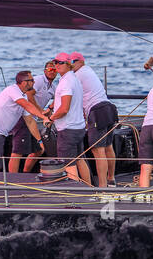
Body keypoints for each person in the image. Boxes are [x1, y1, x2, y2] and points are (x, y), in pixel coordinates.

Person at [0, 71, 51, 173]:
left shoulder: (23, 96)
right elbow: (26, 105)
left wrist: (39, 141)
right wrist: (43, 117)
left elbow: (30, 121)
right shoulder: (13, 90)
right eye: (32, 80)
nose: (34, 82)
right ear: (24, 82)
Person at [71, 53, 118, 188]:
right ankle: (111, 179)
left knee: (98, 151)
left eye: (73, 61)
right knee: (108, 146)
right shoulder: (88, 70)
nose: (71, 64)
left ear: (81, 62)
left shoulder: (77, 75)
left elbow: (72, 98)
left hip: (97, 111)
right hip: (108, 108)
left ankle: (102, 186)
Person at [49, 54, 91, 183]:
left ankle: (76, 197)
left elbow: (64, 109)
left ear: (69, 64)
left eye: (60, 63)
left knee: (69, 164)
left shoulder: (66, 82)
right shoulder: (73, 78)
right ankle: (89, 189)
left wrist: (51, 118)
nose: (57, 65)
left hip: (68, 130)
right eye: (55, 62)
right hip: (78, 127)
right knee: (79, 159)